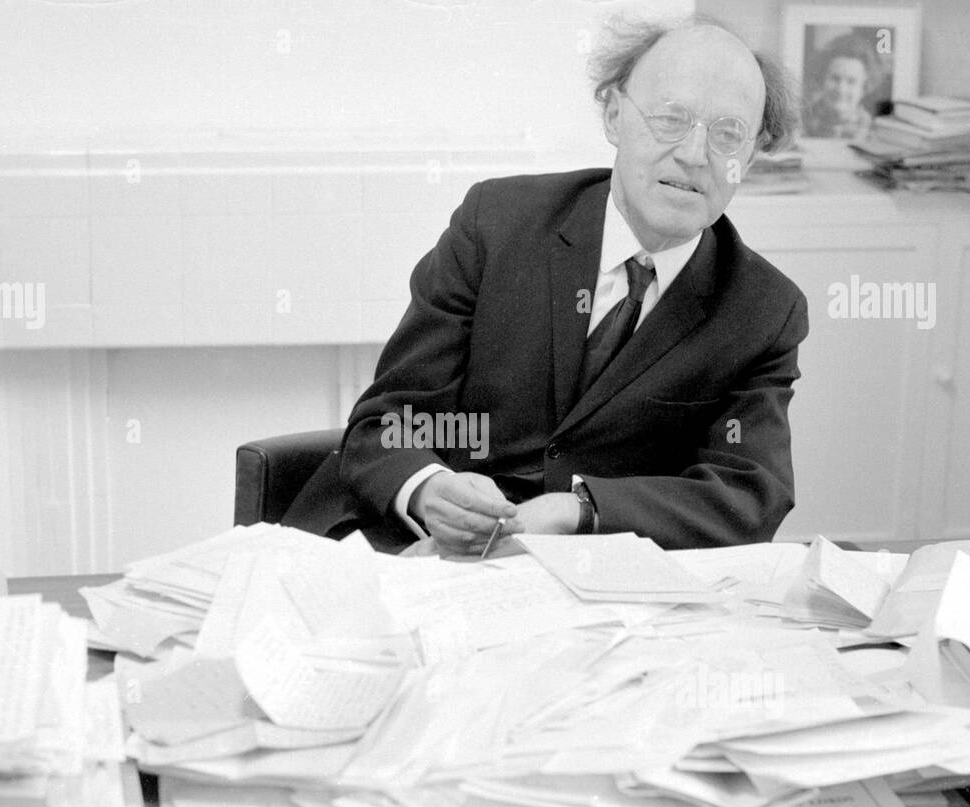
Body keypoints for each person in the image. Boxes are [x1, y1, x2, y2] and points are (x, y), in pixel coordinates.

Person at [283, 17, 808, 556]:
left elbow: (748, 495)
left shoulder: (763, 310)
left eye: (727, 134)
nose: (695, 154)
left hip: (590, 580)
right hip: (417, 552)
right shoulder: (497, 224)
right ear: (613, 115)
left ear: (750, 155)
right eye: (671, 119)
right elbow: (387, 425)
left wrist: (578, 510)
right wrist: (430, 490)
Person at [802, 32, 879, 139]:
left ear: (864, 87)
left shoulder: (875, 133)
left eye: (851, 81)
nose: (841, 89)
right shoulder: (800, 124)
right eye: (835, 78)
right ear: (822, 79)